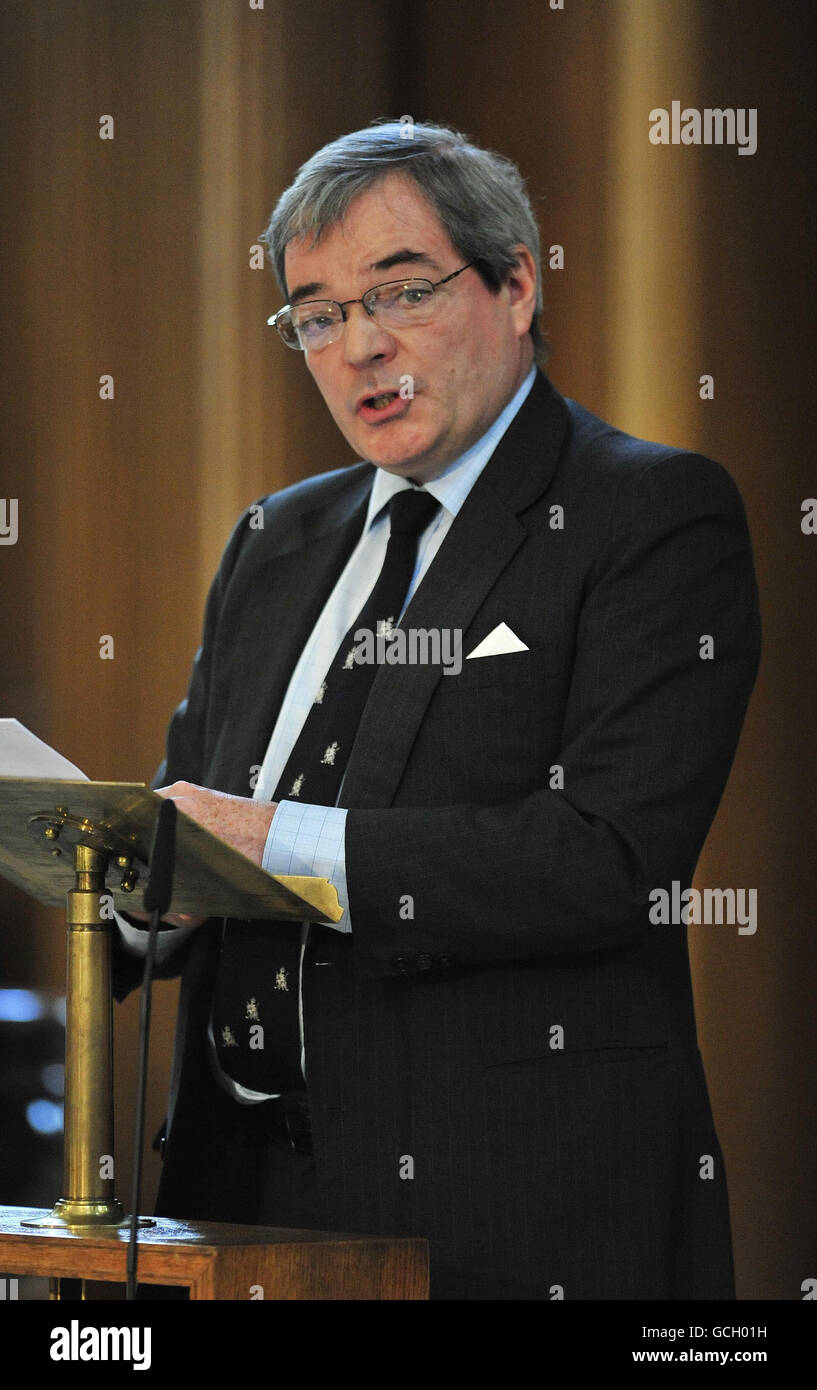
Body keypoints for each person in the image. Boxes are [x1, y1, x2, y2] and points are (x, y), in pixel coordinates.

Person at [114, 120, 760, 1300]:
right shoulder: (274, 537)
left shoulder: (650, 515)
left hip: (509, 1210)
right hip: (237, 1199)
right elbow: (192, 812)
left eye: (400, 291)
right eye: (315, 315)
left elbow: (606, 854)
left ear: (517, 282)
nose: (359, 347)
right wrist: (117, 884)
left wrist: (272, 847)